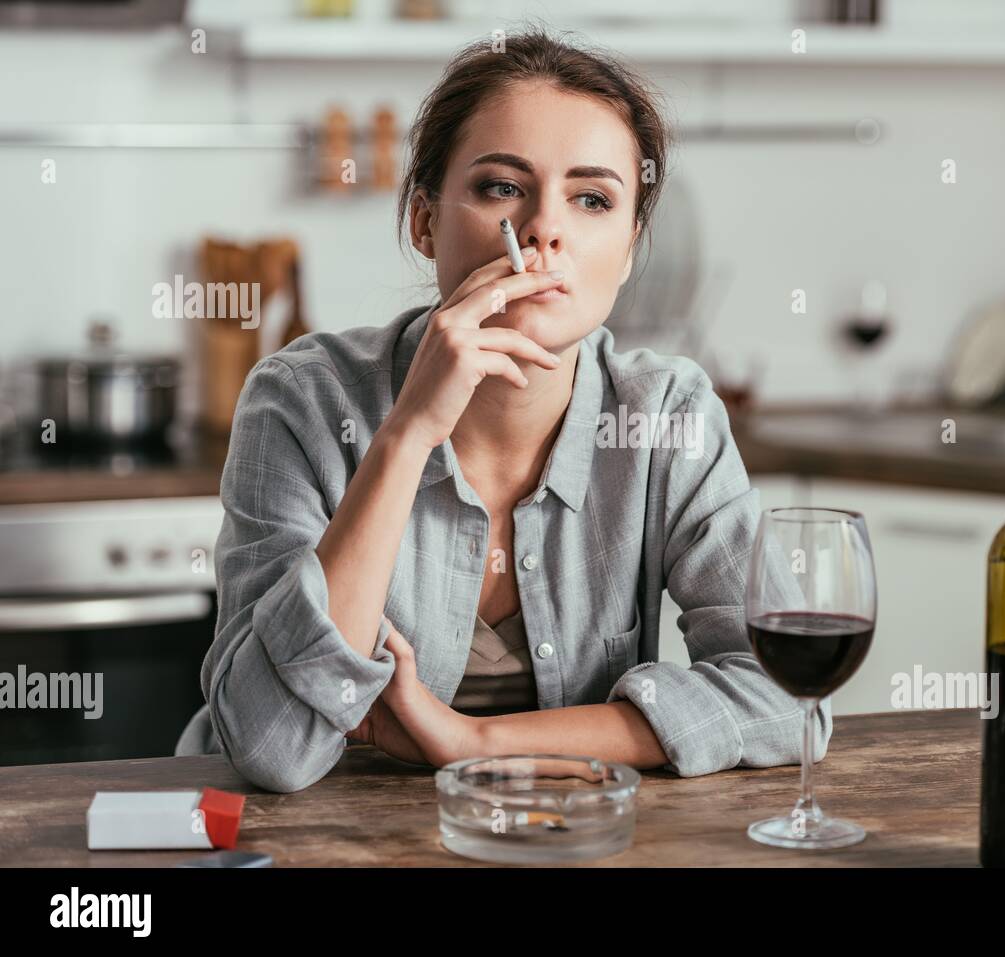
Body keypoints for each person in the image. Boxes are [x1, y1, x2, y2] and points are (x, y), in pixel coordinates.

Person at [175, 27, 830, 792]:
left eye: (592, 199)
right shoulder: (301, 400)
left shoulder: (668, 417)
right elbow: (271, 747)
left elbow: (791, 696)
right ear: (424, 220)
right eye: (502, 188)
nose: (545, 228)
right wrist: (409, 432)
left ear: (626, 248)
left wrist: (472, 740)